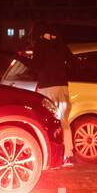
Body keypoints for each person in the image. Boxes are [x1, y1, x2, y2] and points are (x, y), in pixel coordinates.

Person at [33, 24, 72, 156]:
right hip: (62, 86)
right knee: (64, 121)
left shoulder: (40, 45)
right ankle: (67, 153)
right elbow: (72, 61)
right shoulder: (61, 45)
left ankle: (52, 153)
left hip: (47, 87)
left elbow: (36, 66)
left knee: (48, 120)